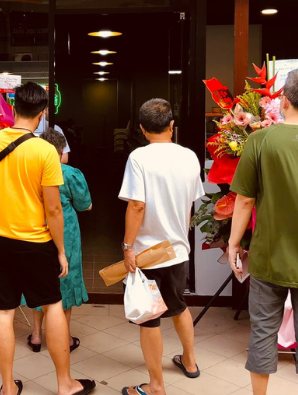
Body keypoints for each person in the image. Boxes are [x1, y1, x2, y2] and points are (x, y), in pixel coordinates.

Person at [226, 69, 298, 395]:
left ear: (285, 100)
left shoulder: (260, 140)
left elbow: (245, 200)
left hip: (268, 257)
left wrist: (234, 244)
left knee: (262, 332)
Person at [0, 82, 95, 395]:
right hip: (35, 241)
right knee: (53, 306)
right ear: (42, 112)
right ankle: (65, 384)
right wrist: (61, 251)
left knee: (3, 311)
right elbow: (54, 209)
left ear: (13, 108)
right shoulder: (45, 151)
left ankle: (8, 387)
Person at [118, 99, 205, 395]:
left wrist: (128, 246)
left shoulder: (139, 158)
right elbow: (190, 204)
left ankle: (156, 386)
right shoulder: (189, 156)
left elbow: (137, 205)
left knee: (149, 317)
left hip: (148, 253)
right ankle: (189, 361)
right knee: (179, 306)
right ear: (172, 126)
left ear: (142, 129)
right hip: (177, 249)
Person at [25, 128, 91, 354]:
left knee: (38, 279)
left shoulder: (31, 171)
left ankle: (36, 336)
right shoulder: (70, 174)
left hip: (36, 228)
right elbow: (85, 205)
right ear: (62, 151)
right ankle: (64, 337)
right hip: (66, 230)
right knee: (66, 279)